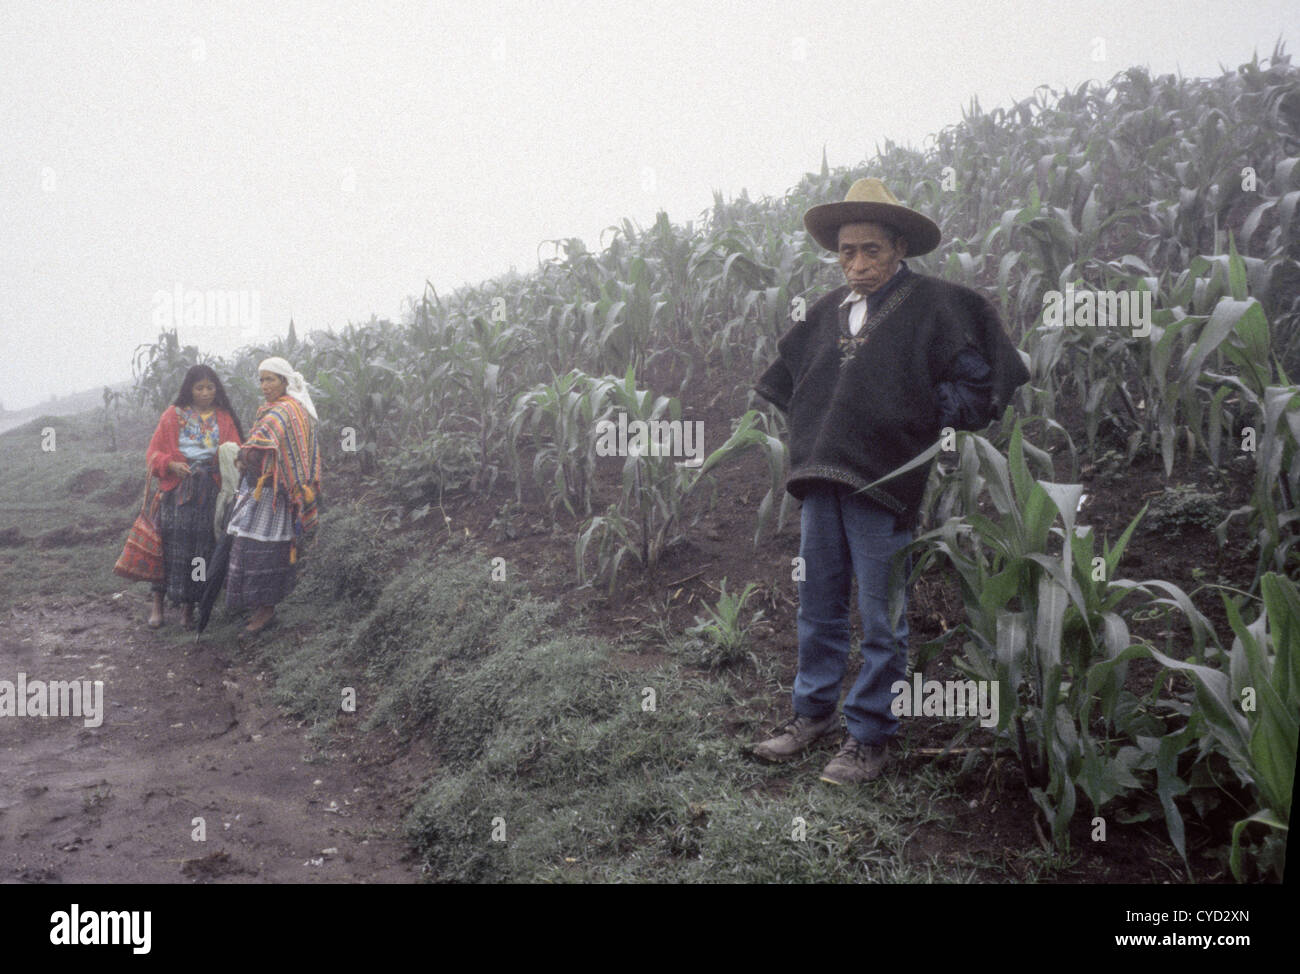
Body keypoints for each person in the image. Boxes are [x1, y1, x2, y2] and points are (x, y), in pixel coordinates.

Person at [752, 177, 1029, 784]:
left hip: (886, 482)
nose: (857, 264)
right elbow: (789, 383)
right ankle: (812, 714)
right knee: (819, 605)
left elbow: (979, 385)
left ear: (899, 248)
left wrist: (920, 416)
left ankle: (869, 737)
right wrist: (818, 432)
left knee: (882, 617)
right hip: (821, 478)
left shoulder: (933, 305)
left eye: (871, 250)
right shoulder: (827, 313)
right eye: (846, 252)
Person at [224, 356, 321, 640]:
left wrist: (242, 456)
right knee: (252, 548)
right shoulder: (276, 409)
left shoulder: (285, 411)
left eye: (271, 379)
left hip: (273, 495)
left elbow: (258, 448)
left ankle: (266, 611)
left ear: (285, 382)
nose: (265, 385)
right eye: (262, 380)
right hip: (263, 492)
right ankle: (259, 607)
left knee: (263, 551)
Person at [144, 364, 245, 629]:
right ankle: (158, 604)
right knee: (167, 545)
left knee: (199, 550)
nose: (205, 392)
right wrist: (170, 465)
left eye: (210, 387)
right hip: (177, 490)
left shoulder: (223, 417)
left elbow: (236, 450)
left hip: (208, 490)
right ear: (189, 388)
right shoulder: (173, 415)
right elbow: (153, 454)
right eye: (199, 387)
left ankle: (189, 608)